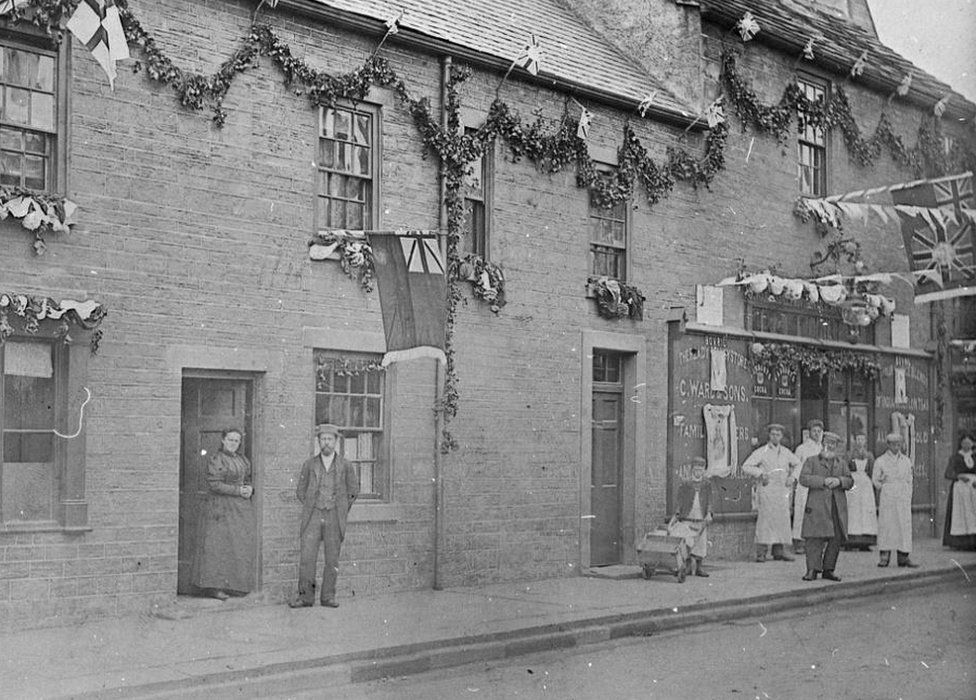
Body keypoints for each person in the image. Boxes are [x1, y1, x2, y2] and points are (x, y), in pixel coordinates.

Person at [290, 423, 359, 608]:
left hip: (334, 517)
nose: (326, 442)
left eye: (329, 439)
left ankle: (328, 597)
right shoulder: (309, 464)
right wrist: (312, 505)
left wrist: (341, 508)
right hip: (313, 516)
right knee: (307, 558)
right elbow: (300, 491)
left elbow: (353, 490)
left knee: (332, 559)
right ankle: (305, 598)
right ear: (318, 441)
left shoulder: (346, 465)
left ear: (336, 441)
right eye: (323, 439)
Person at [191, 428, 255, 600]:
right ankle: (214, 587)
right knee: (218, 546)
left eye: (236, 441)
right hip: (220, 507)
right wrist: (238, 491)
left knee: (236, 546)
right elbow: (215, 484)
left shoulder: (242, 460)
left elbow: (247, 479)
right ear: (223, 440)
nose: (233, 443)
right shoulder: (216, 459)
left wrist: (250, 488)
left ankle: (234, 585)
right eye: (230, 440)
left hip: (239, 509)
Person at [799, 431, 853, 582]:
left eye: (833, 444)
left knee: (835, 539)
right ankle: (812, 569)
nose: (829, 446)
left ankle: (829, 569)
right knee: (814, 538)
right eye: (827, 443)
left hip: (836, 506)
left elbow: (850, 481)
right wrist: (823, 481)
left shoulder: (841, 463)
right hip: (817, 506)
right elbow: (803, 479)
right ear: (822, 444)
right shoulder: (811, 461)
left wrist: (840, 481)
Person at [741, 424, 799, 563]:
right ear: (769, 435)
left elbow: (799, 464)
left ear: (781, 436)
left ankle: (779, 551)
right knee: (765, 521)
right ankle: (761, 552)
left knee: (781, 520)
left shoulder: (786, 452)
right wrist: (761, 473)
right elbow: (746, 466)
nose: (775, 437)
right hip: (767, 489)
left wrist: (792, 477)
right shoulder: (762, 451)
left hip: (782, 490)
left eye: (778, 435)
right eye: (773, 434)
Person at [873, 432, 919, 568]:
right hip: (888, 495)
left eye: (898, 444)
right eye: (893, 444)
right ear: (888, 445)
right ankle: (884, 556)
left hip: (903, 496)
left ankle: (903, 557)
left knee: (903, 525)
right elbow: (875, 480)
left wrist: (908, 494)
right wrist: (884, 487)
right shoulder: (880, 461)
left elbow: (909, 479)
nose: (896, 447)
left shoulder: (906, 461)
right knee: (887, 525)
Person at [672, 457, 714, 577]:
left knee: (700, 543)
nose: (698, 472)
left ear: (704, 470)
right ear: (692, 470)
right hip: (688, 516)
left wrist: (709, 513)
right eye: (696, 470)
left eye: (700, 470)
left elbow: (710, 500)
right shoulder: (686, 484)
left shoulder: (707, 484)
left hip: (701, 516)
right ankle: (687, 566)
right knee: (687, 542)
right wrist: (677, 513)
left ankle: (699, 567)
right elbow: (680, 500)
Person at [791, 419, 824, 555]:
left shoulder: (823, 449)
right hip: (804, 485)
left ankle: (815, 543)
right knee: (802, 513)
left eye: (819, 431)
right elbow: (796, 467)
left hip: (819, 485)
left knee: (818, 514)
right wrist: (794, 480)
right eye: (814, 431)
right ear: (809, 432)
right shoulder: (802, 449)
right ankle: (799, 542)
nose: (816, 434)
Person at [844, 432, 878, 551]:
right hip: (853, 483)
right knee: (853, 510)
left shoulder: (869, 455)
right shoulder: (849, 455)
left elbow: (872, 470)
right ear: (855, 440)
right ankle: (850, 540)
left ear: (865, 441)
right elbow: (845, 469)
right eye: (858, 439)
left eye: (862, 439)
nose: (860, 442)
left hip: (865, 485)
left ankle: (865, 541)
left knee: (865, 510)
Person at [943, 433, 976, 550]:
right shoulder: (955, 457)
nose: (967, 445)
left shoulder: (975, 456)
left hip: (974, 489)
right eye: (964, 443)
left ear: (973, 443)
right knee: (961, 515)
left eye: (969, 442)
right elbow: (948, 473)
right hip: (960, 490)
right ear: (961, 444)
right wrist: (959, 476)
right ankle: (961, 543)